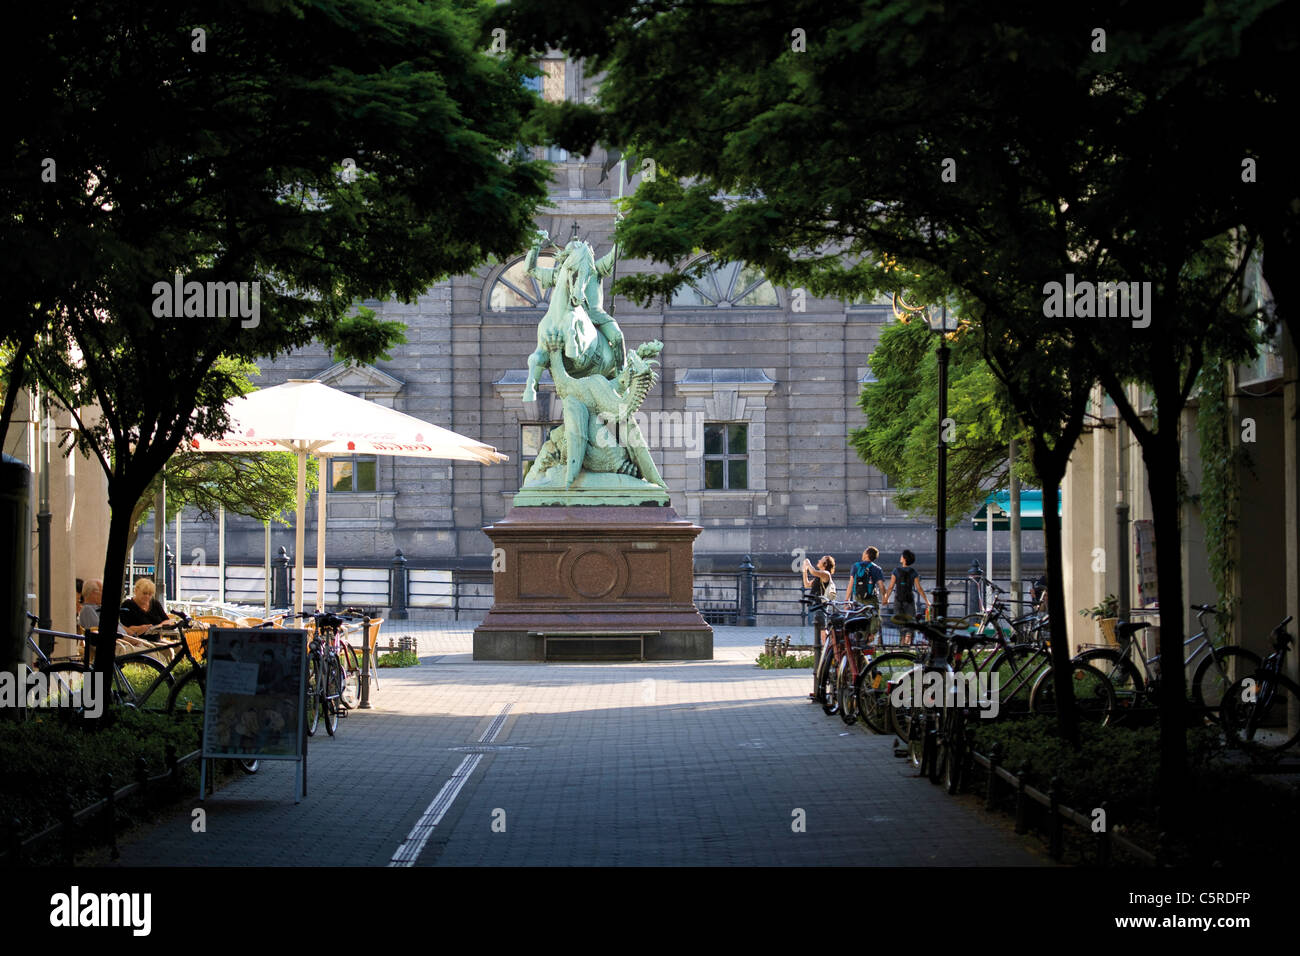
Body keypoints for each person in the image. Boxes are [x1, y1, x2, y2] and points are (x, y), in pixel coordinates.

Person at [801, 555, 836, 700]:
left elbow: (814, 572)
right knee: (820, 629)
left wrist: (808, 564)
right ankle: (824, 648)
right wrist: (804, 570)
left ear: (825, 564)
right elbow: (807, 584)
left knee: (822, 630)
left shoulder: (825, 574)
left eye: (821, 560)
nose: (818, 562)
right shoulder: (819, 576)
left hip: (821, 607)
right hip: (815, 607)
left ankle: (826, 650)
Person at [883, 549, 931, 645]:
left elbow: (891, 587)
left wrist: (885, 598)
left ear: (904, 559)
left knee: (899, 620)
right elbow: (919, 588)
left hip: (898, 599)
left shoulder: (896, 571)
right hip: (909, 599)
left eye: (901, 556)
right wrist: (926, 600)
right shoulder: (913, 572)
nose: (900, 557)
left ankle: (902, 639)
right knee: (911, 619)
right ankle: (908, 634)